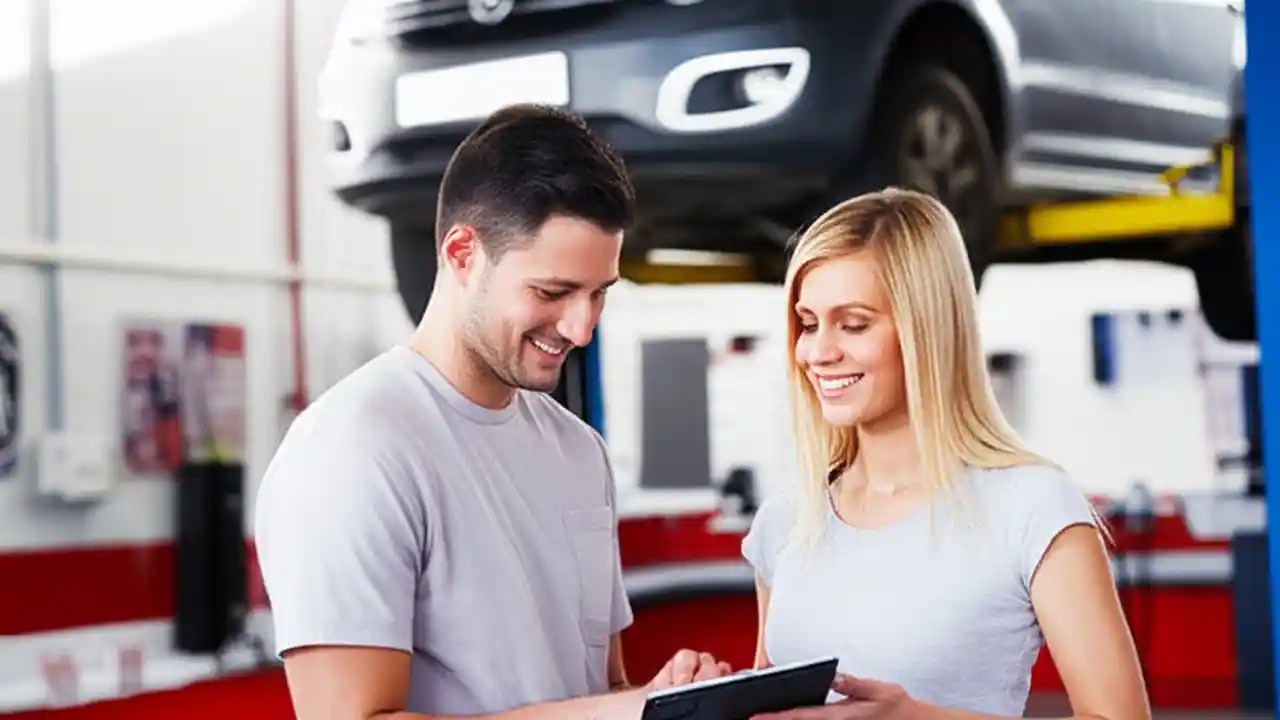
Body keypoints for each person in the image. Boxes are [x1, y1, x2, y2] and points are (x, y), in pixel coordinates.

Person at [254, 104, 730, 720]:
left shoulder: (578, 450)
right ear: (461, 255)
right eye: (553, 292)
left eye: (599, 294)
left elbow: (602, 690)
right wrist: (620, 712)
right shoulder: (349, 449)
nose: (581, 329)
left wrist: (660, 702)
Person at [740, 189, 1151, 720]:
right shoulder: (787, 517)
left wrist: (910, 717)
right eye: (809, 323)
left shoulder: (1032, 506)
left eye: (855, 323)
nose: (818, 352)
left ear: (925, 328)